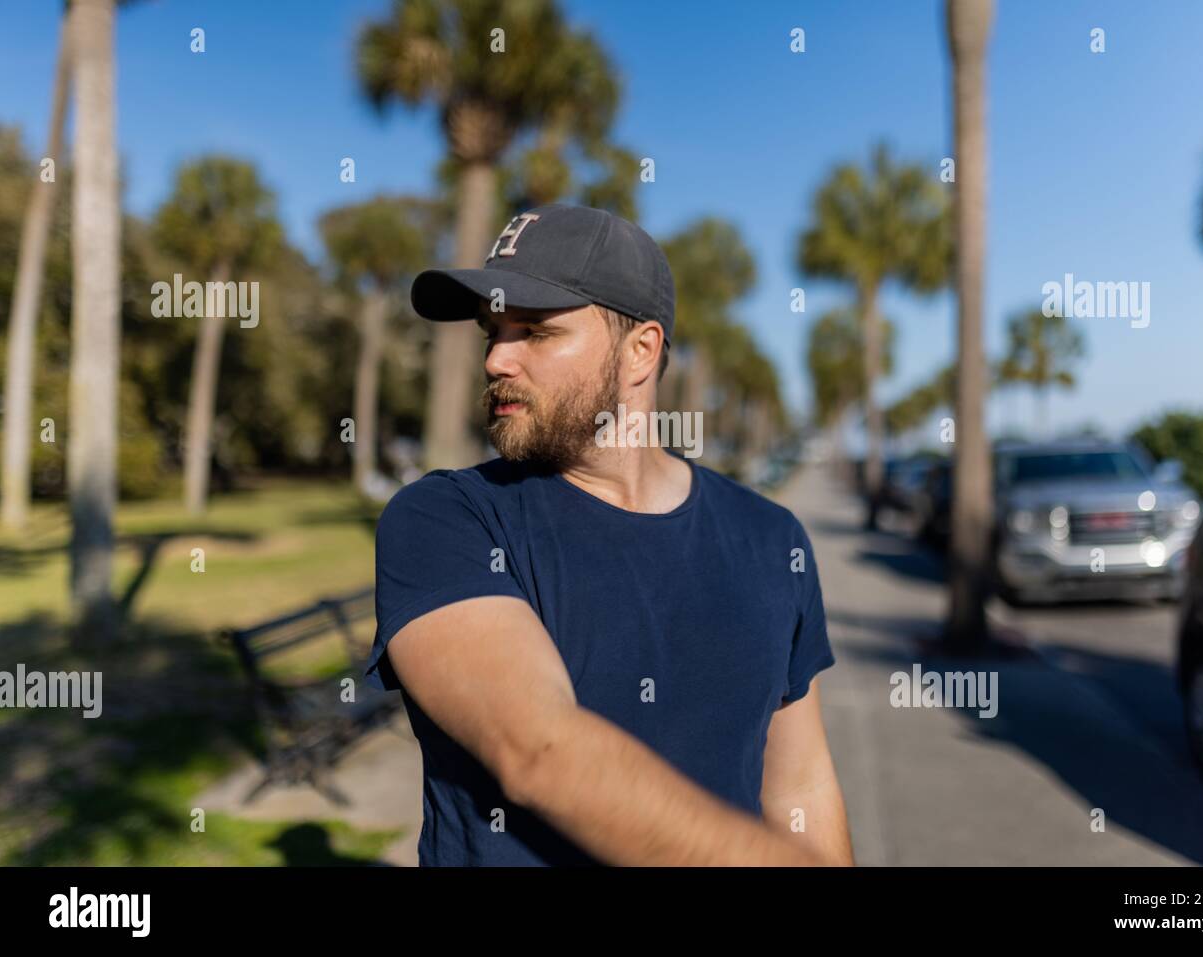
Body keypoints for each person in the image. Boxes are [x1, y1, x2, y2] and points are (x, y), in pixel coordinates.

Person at [365, 203, 852, 866]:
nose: (497, 359)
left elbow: (801, 787)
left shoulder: (773, 541)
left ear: (640, 351)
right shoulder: (445, 520)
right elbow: (541, 750)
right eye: (492, 331)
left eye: (534, 330)